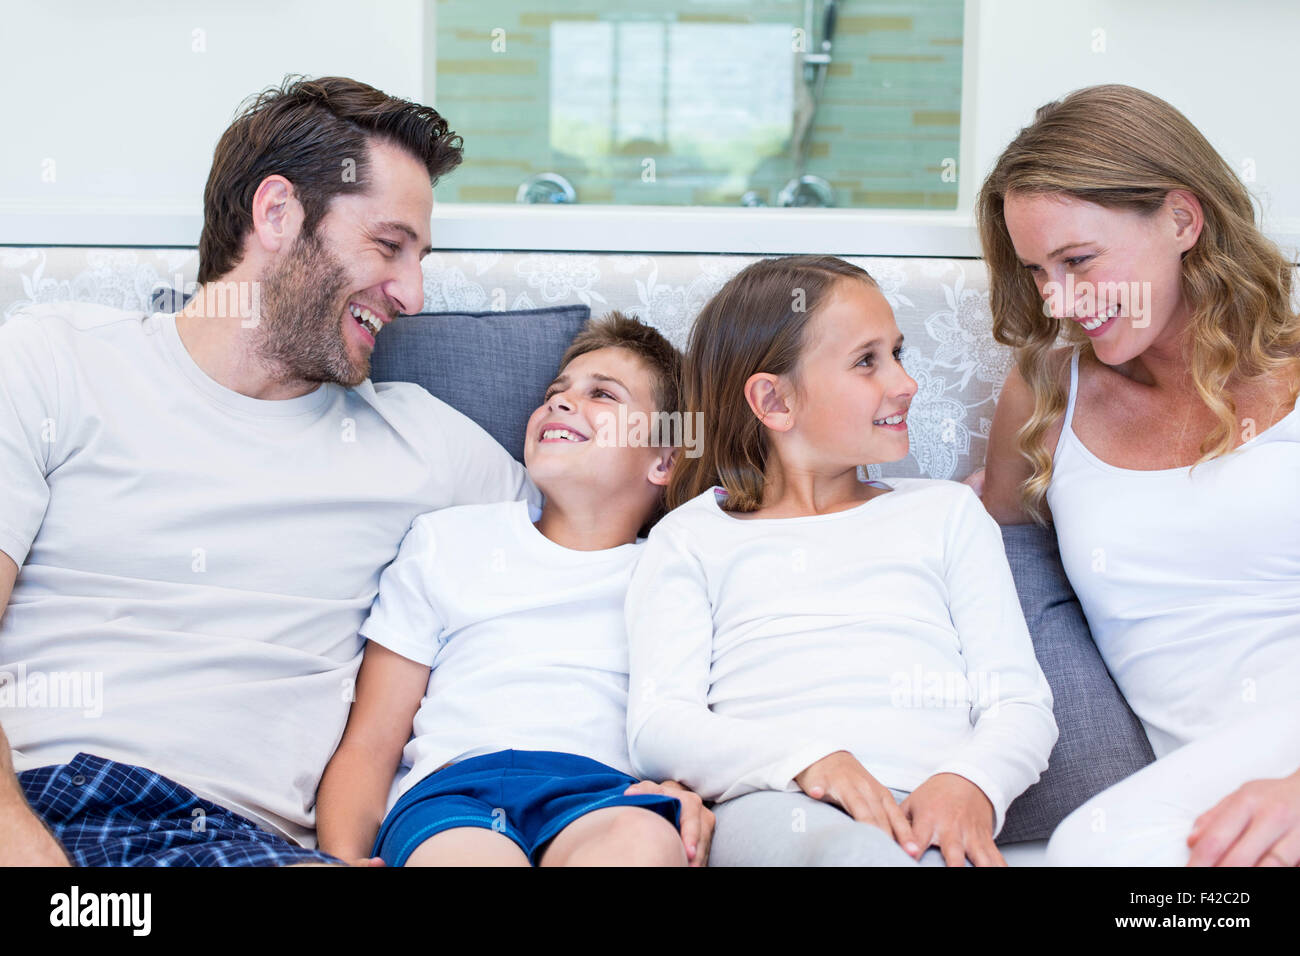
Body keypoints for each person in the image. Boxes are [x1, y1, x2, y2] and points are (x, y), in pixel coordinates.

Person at [0, 75, 540, 866]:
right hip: (44, 803)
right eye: (389, 246)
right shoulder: (56, 359)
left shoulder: (427, 446)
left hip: (247, 845)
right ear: (277, 213)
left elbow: (599, 565)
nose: (413, 294)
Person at [624, 255, 1057, 867]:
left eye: (898, 353)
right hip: (779, 804)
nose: (905, 383)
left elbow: (1018, 703)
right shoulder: (692, 538)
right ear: (774, 400)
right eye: (867, 361)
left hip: (924, 810)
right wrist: (812, 758)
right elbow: (659, 726)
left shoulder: (948, 514)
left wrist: (972, 783)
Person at [974, 84, 1300, 866]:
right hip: (1194, 788)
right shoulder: (1046, 394)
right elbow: (974, 571)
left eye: (1078, 260)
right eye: (1038, 271)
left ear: (1183, 219)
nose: (1058, 300)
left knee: (1095, 847)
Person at [316, 312, 715, 866]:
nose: (561, 402)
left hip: (603, 792)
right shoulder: (448, 541)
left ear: (665, 458)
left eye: (603, 394)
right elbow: (368, 744)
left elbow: (689, 720)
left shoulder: (677, 570)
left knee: (643, 845)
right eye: (556, 391)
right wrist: (341, 858)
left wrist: (682, 788)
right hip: (454, 793)